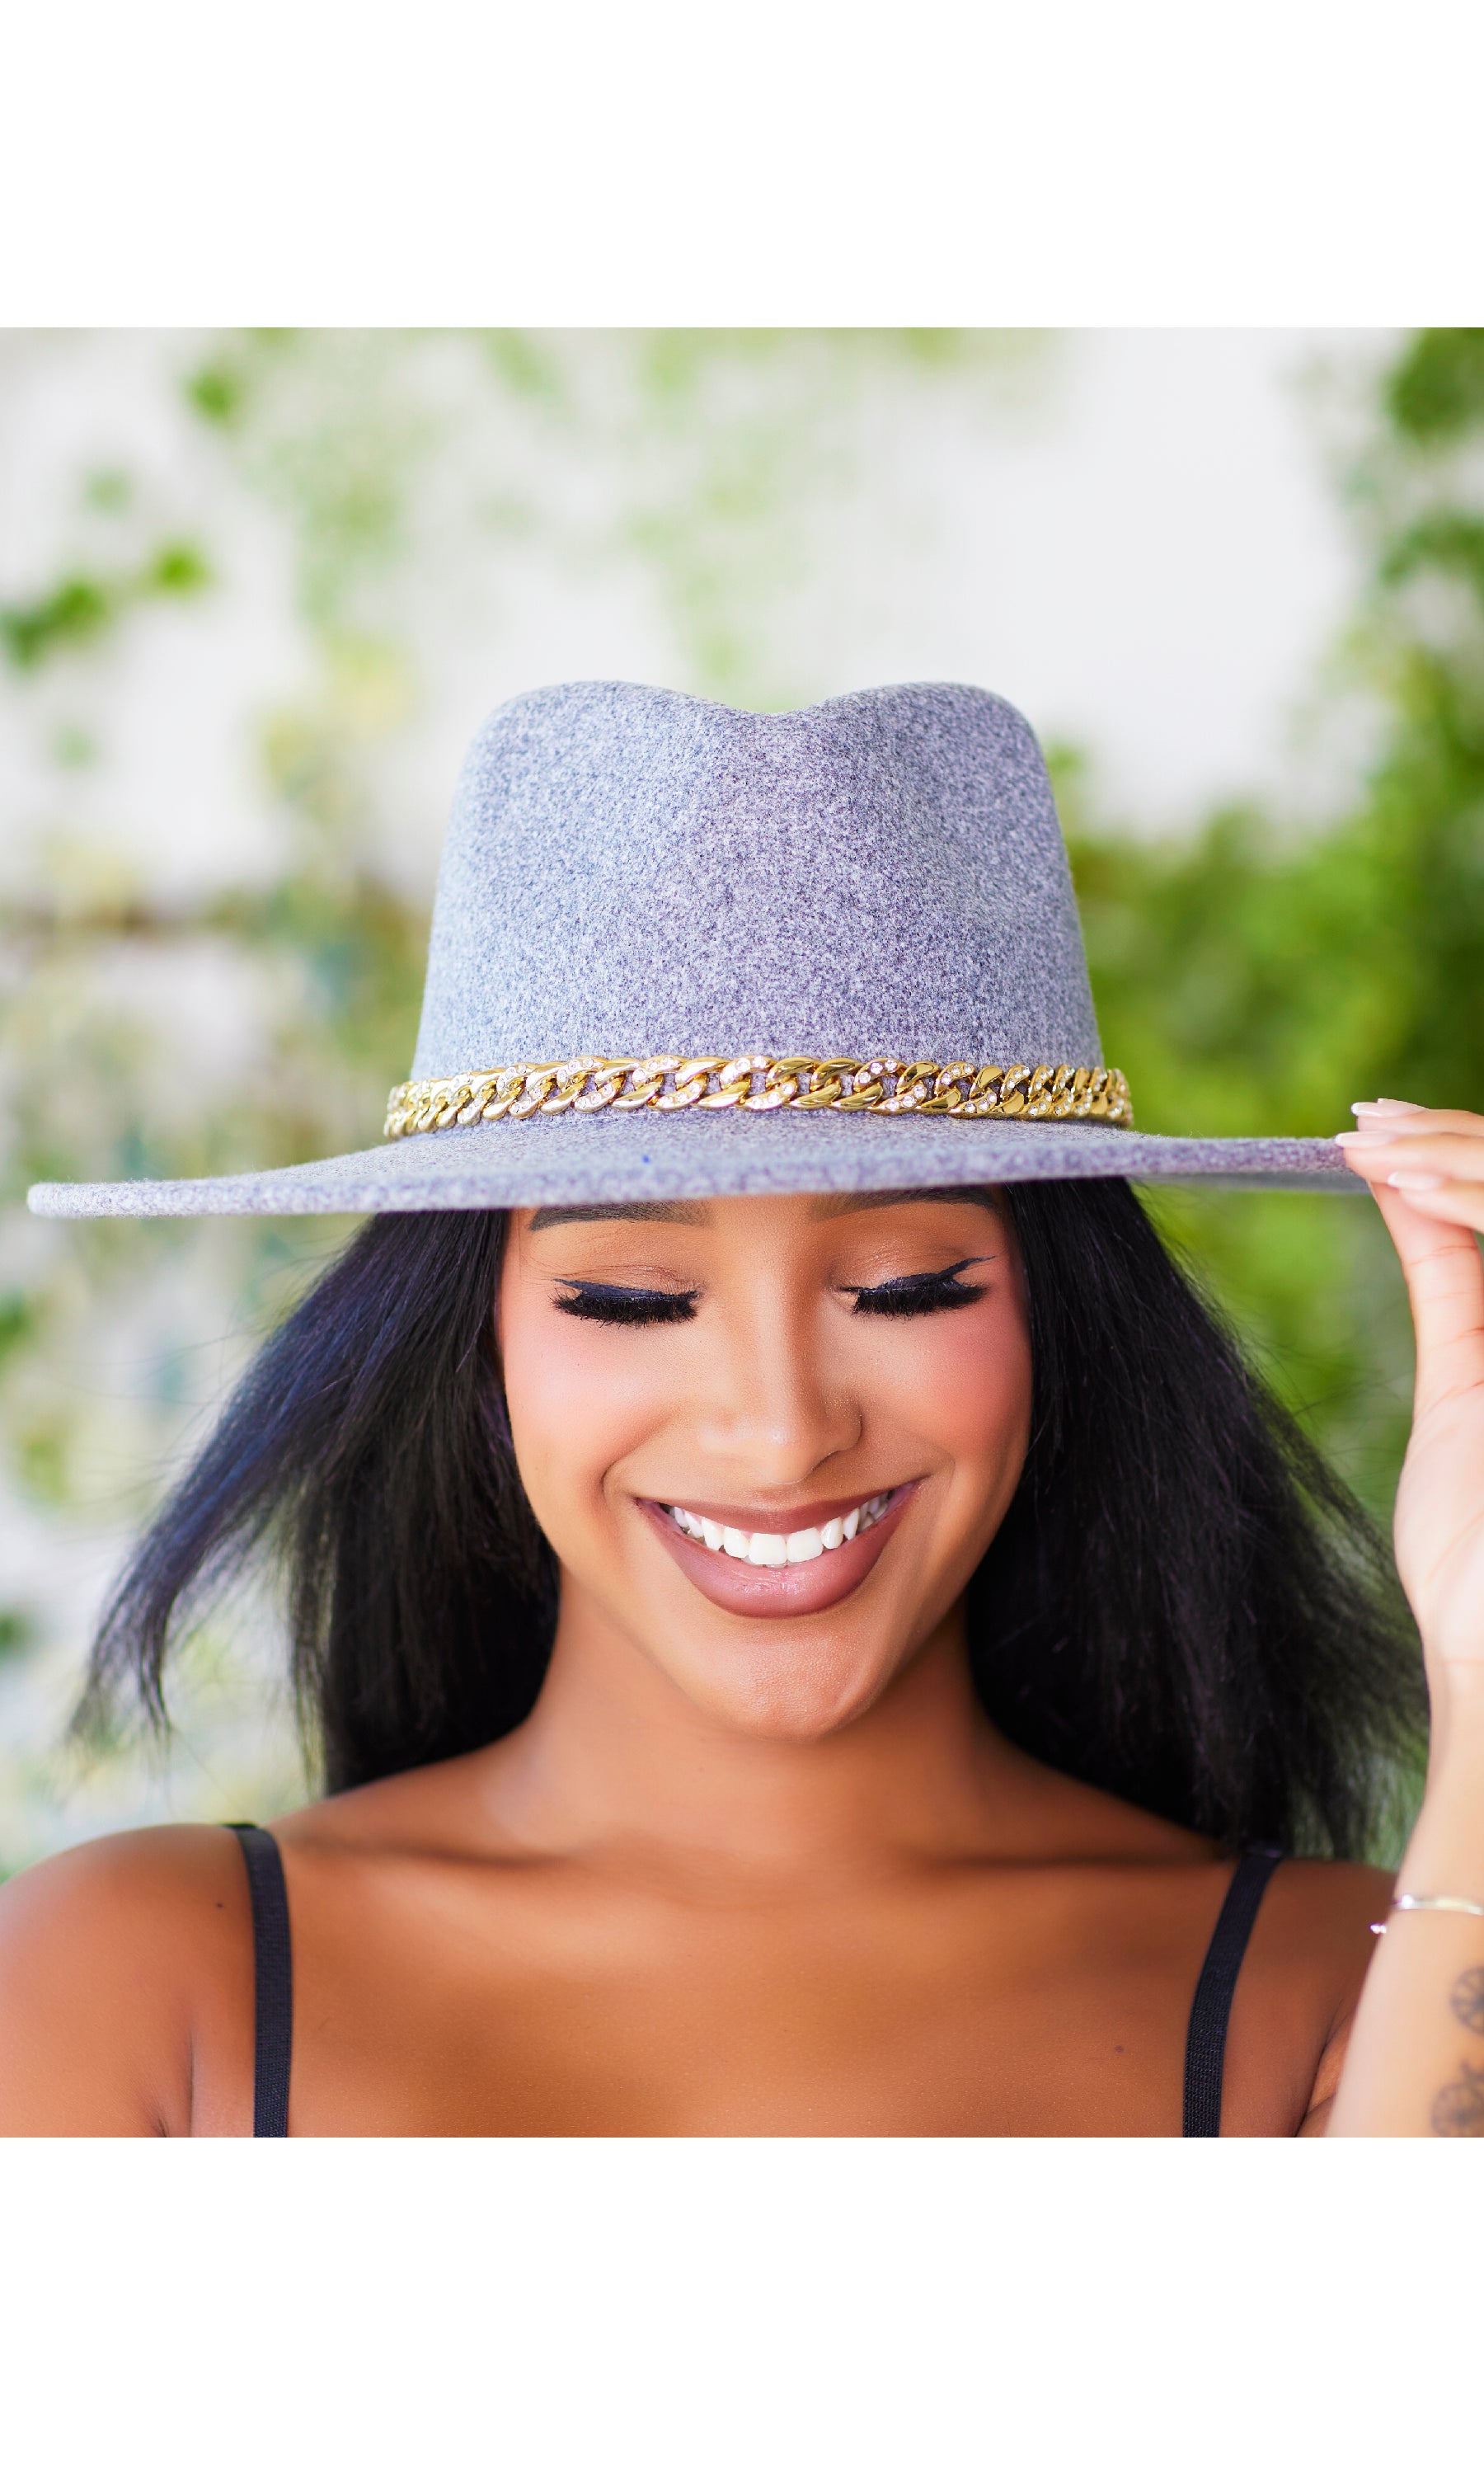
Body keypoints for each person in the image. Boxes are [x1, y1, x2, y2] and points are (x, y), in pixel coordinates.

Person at [2, 680, 1480, 2138]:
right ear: (477, 1346)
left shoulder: (1347, 1990)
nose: (780, 1434)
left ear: (1057, 1322)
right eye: (633, 1299)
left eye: (904, 1289)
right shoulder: (136, 1985)